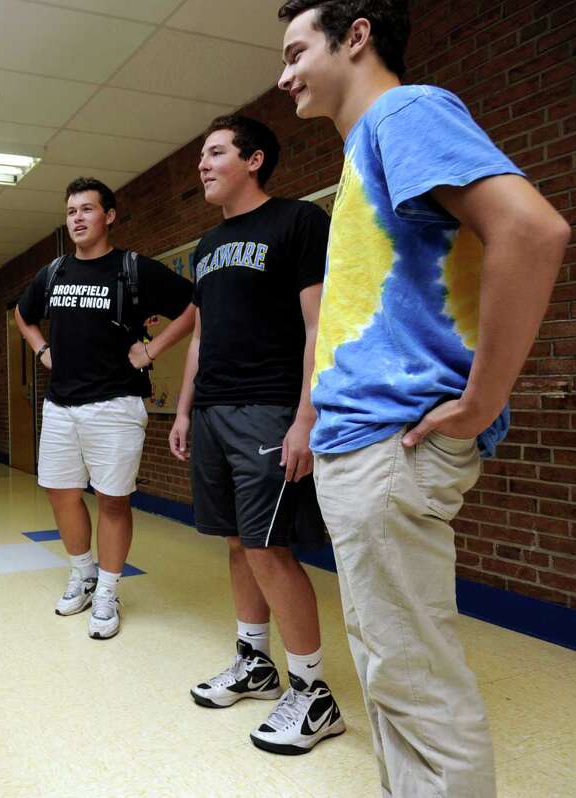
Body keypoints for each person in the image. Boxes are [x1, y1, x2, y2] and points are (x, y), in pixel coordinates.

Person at [276, 0, 570, 793]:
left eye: (298, 50)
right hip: (361, 444)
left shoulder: (405, 110)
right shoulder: (363, 148)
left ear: (357, 36)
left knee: (414, 682)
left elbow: (533, 232)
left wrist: (479, 404)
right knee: (392, 674)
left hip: (390, 445)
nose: (285, 74)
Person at [169, 115, 344, 755]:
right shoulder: (208, 244)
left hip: (270, 410)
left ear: (255, 159)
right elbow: (203, 335)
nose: (202, 165)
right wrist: (185, 410)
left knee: (271, 549)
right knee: (240, 545)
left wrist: (307, 415)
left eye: (215, 152)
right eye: (201, 154)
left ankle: (314, 694)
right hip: (213, 412)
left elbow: (318, 325)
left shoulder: (298, 223)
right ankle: (256, 664)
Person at [14, 177, 194, 639]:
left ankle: (110, 590)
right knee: (61, 492)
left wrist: (151, 351)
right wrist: (41, 350)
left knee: (114, 500)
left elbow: (194, 306)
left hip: (115, 404)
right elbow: (22, 312)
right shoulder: (54, 272)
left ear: (108, 216)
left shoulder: (132, 268)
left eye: (87, 210)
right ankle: (84, 573)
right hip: (60, 406)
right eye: (71, 210)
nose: (77, 218)